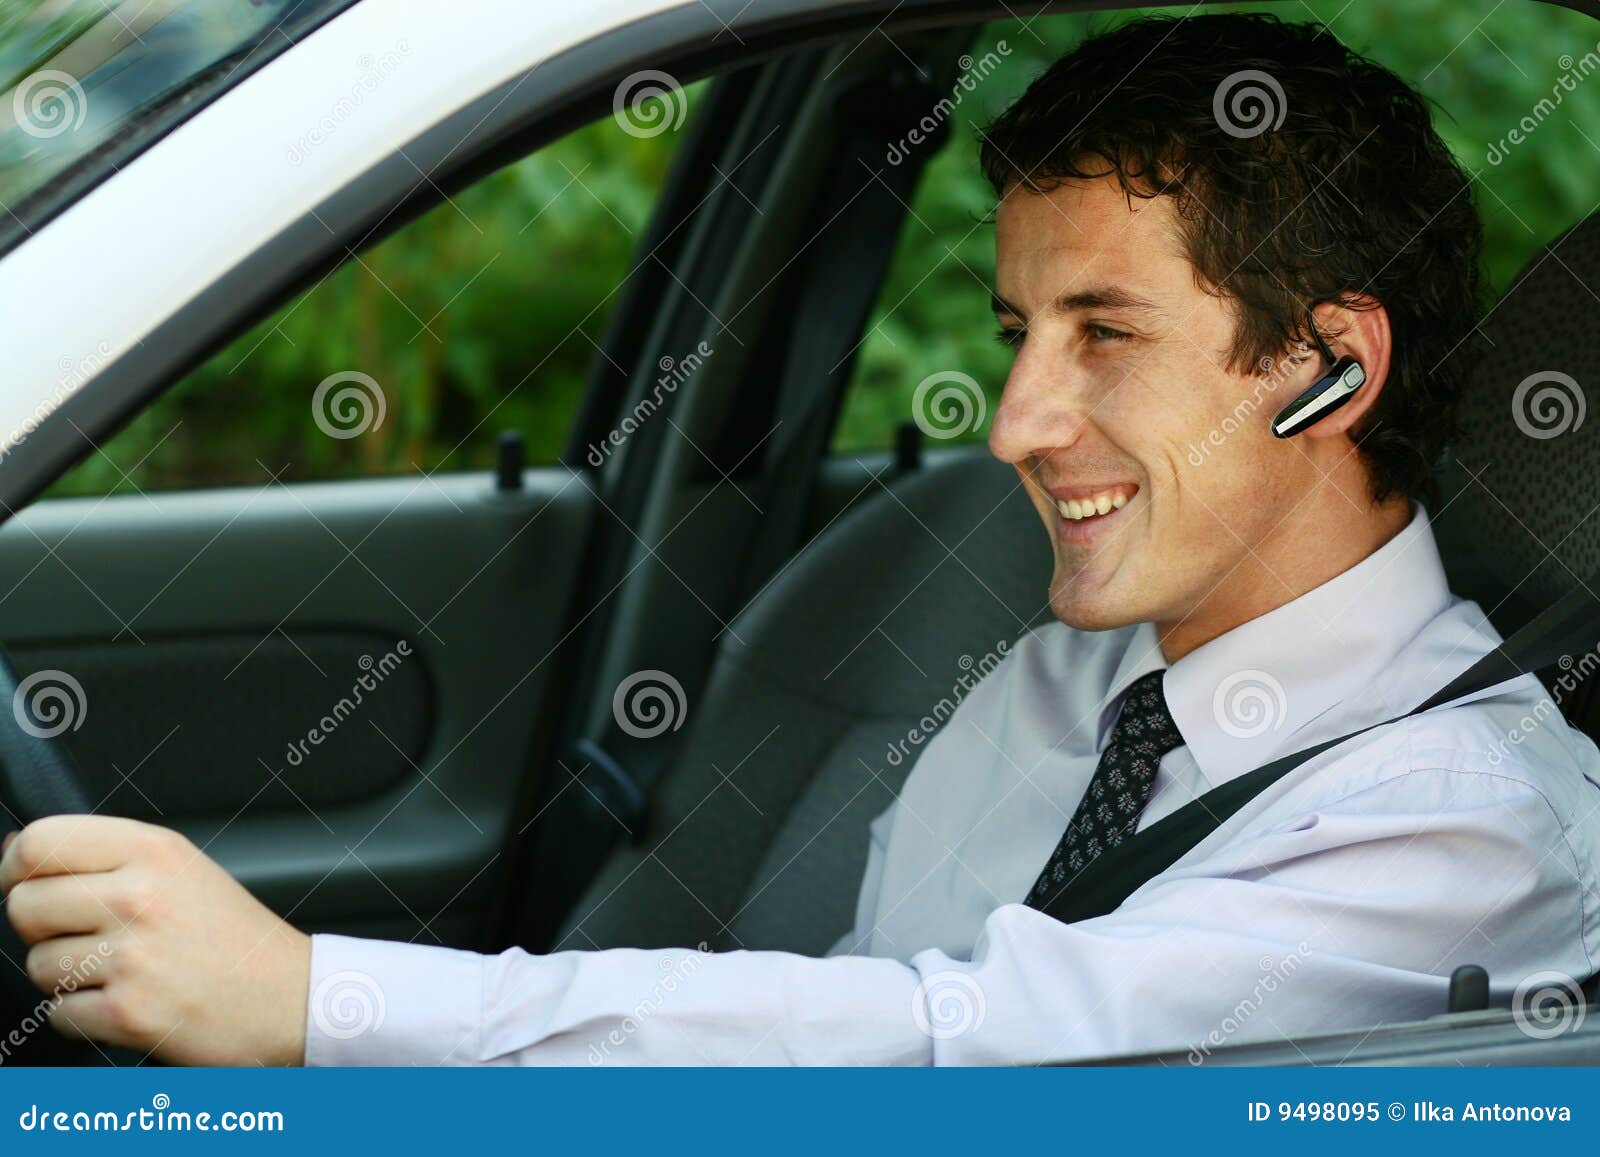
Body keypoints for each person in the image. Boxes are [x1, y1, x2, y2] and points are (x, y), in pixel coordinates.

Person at [3, 12, 1598, 1067]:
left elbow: (954, 1051)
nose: (1016, 419)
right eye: (1018, 331)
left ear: (1332, 367)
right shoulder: (1069, 666)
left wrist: (320, 1003)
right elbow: (850, 991)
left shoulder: (1461, 828)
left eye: (1103, 335)